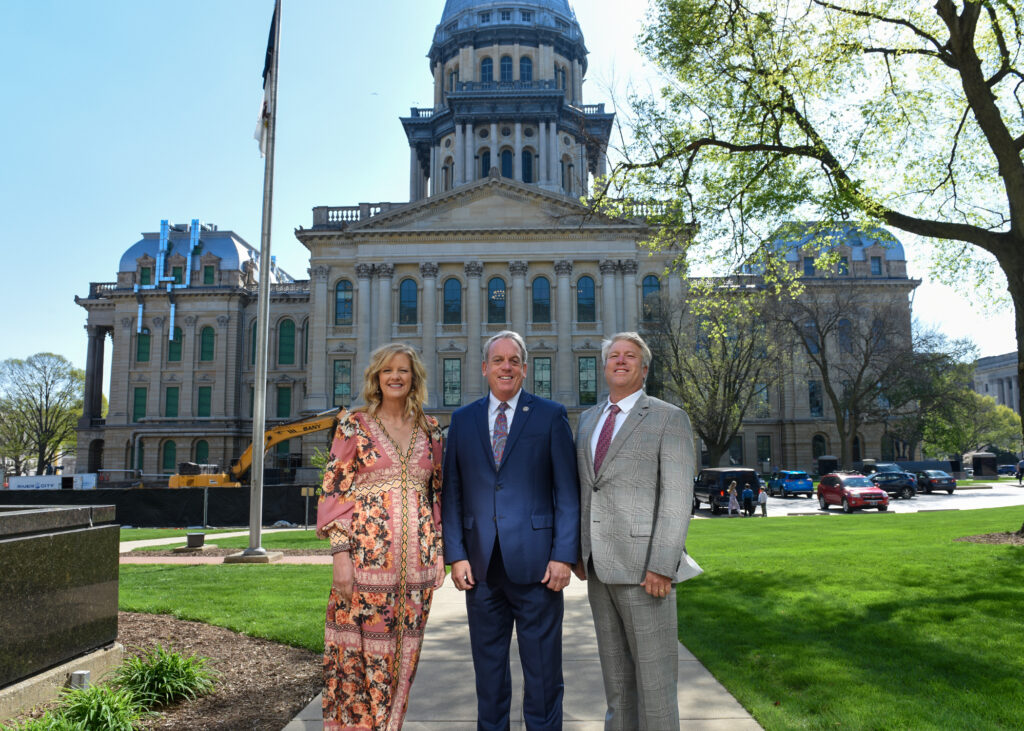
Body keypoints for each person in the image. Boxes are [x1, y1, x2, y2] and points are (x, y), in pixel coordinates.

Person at [442, 330, 579, 731]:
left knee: (542, 675)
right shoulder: (463, 420)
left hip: (538, 568)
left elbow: (567, 493)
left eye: (514, 360)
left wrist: (562, 555)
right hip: (480, 569)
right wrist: (456, 554)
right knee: (488, 676)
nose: (506, 367)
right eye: (498, 360)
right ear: (484, 368)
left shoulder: (550, 415)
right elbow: (452, 493)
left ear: (524, 369)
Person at [573, 332, 702, 731]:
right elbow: (587, 489)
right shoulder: (588, 420)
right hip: (598, 571)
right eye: (614, 356)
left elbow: (679, 496)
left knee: (656, 687)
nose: (621, 361)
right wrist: (580, 553)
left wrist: (663, 564)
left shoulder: (669, 417)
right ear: (604, 366)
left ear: (644, 369)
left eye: (630, 356)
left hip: (647, 573)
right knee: (618, 689)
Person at [316, 343, 445, 731]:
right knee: (360, 661)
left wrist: (438, 552)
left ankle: (392, 726)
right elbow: (335, 490)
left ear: (414, 378)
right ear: (376, 377)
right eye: (388, 370)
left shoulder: (431, 429)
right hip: (364, 566)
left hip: (417, 573)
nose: (395, 376)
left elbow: (436, 495)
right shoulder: (354, 425)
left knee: (404, 662)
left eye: (403, 370)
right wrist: (340, 556)